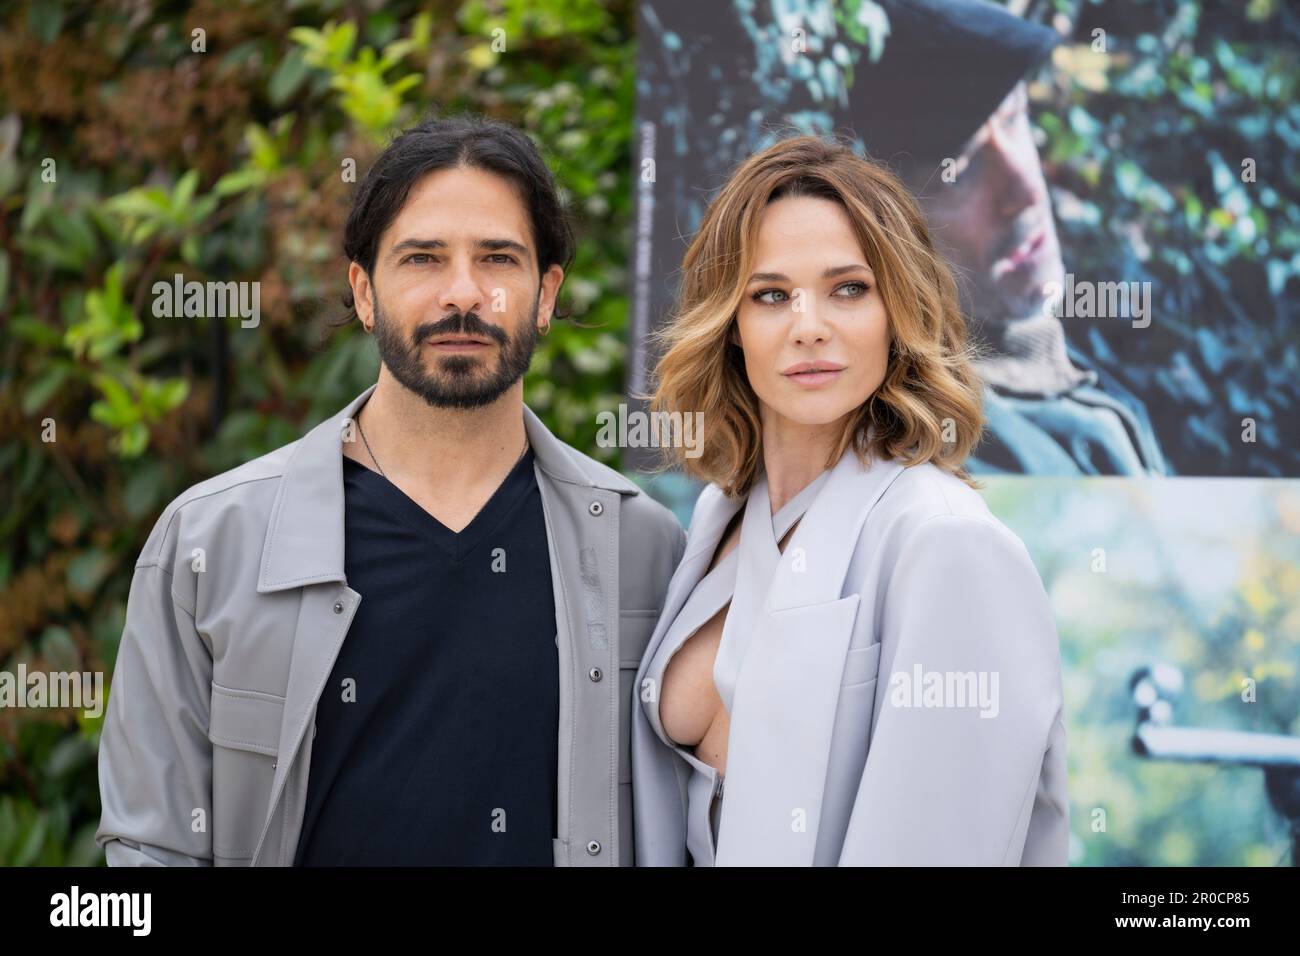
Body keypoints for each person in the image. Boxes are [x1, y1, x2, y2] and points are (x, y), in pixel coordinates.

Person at [95, 114, 685, 866]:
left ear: (545, 294)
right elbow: (152, 847)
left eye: (499, 258)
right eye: (423, 259)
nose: (464, 294)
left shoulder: (641, 549)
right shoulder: (212, 542)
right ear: (364, 292)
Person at [631, 134, 1069, 865]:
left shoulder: (947, 541)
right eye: (771, 295)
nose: (809, 326)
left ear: (897, 312)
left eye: (849, 289)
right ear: (731, 326)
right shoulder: (722, 513)